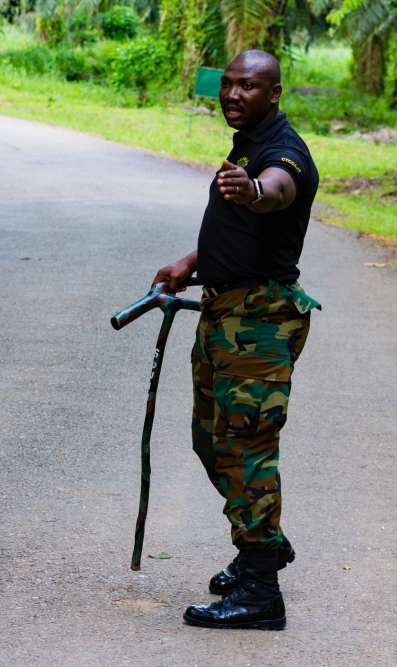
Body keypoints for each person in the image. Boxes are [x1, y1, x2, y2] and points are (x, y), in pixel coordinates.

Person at [153, 50, 320, 631]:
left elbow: (275, 192)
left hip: (258, 324)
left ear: (273, 93)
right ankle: (264, 543)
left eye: (247, 86)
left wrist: (253, 190)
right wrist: (191, 262)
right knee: (210, 440)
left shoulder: (282, 154)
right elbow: (244, 230)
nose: (232, 94)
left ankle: (260, 591)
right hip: (224, 312)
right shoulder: (247, 140)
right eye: (227, 85)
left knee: (246, 452)